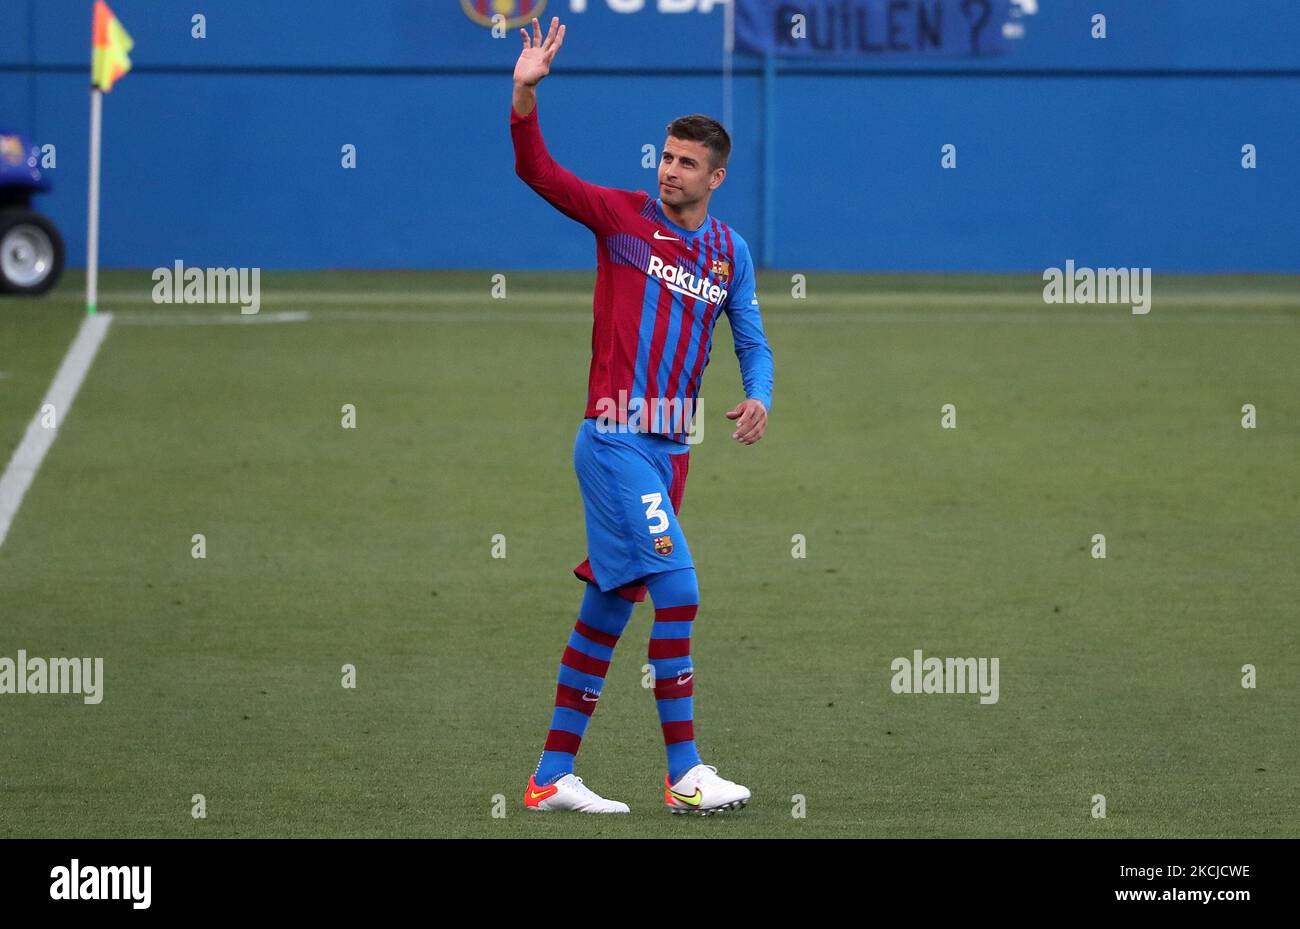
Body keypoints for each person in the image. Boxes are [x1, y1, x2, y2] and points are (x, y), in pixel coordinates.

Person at [512, 17, 773, 815]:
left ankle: (552, 776)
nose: (669, 171)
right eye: (665, 156)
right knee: (681, 589)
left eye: (686, 163)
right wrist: (524, 93)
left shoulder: (728, 252)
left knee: (611, 604)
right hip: (615, 436)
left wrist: (759, 391)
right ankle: (685, 773)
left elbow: (752, 338)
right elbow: (541, 173)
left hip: (672, 450)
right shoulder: (623, 219)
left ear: (715, 177)